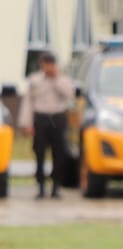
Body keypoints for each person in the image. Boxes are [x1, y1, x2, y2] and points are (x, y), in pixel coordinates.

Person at [20, 51, 74, 200]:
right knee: (39, 153)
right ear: (41, 64)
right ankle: (41, 186)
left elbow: (69, 95)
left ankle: (56, 186)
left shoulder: (63, 79)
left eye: (50, 64)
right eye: (45, 64)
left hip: (58, 118)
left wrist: (55, 78)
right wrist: (26, 123)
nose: (47, 67)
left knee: (59, 154)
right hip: (40, 119)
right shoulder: (35, 80)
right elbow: (28, 103)